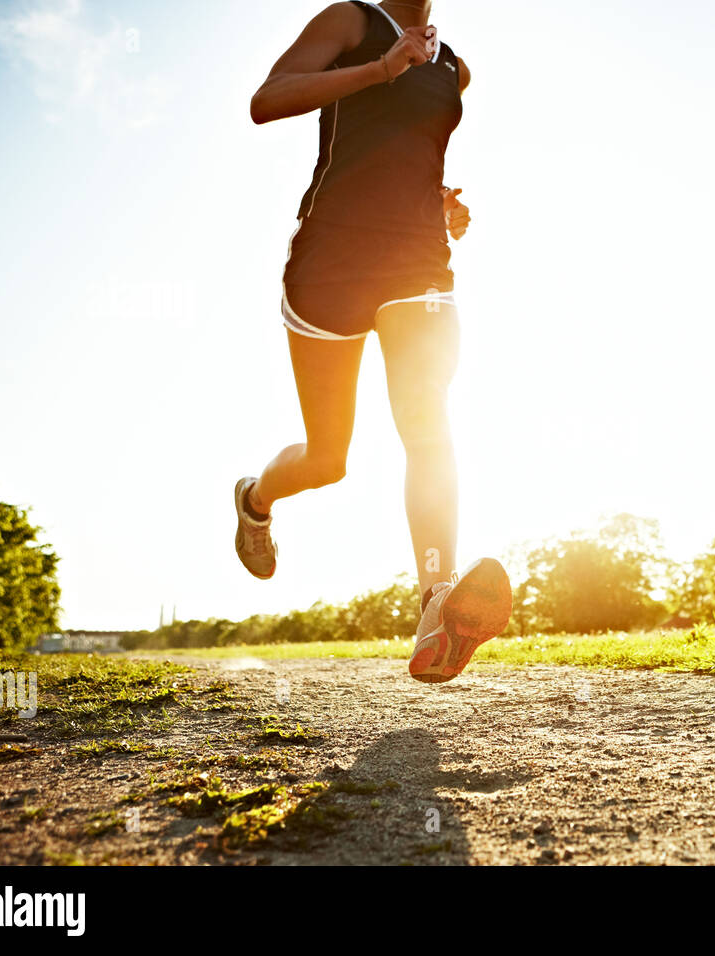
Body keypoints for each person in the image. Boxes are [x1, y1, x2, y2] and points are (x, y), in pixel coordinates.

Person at [234, 0, 509, 683]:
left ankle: (435, 603)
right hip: (331, 260)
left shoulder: (454, 66)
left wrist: (440, 200)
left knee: (425, 416)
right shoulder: (351, 22)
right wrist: (379, 69)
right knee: (329, 458)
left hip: (418, 258)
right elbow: (267, 100)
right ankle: (254, 500)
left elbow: (410, 146)